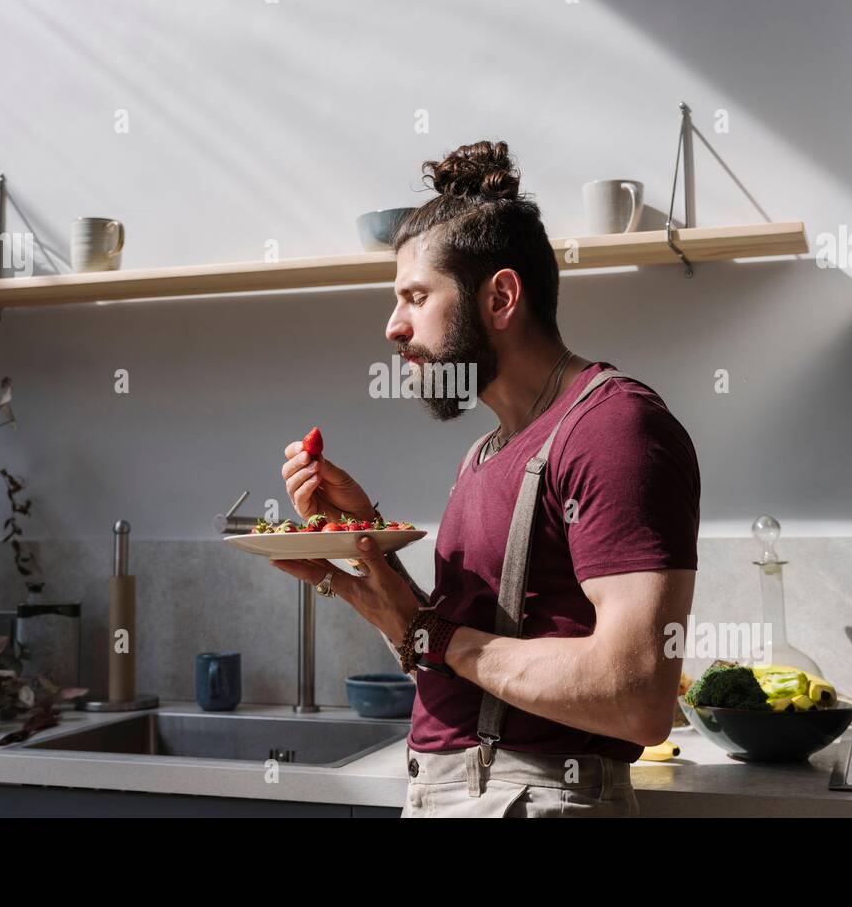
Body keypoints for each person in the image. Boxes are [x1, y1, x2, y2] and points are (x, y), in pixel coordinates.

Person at [269, 140, 700, 817]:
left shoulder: (613, 429)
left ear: (499, 298)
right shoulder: (486, 453)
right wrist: (362, 542)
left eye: (415, 296)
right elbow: (450, 658)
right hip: (458, 792)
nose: (393, 326)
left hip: (528, 797)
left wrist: (433, 636)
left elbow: (640, 697)